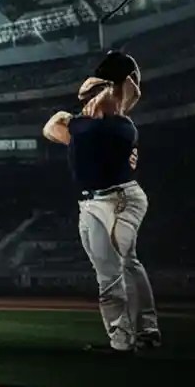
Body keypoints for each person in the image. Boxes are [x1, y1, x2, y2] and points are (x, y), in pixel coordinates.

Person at [42, 70, 159, 354]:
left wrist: (107, 94)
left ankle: (135, 335)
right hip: (92, 202)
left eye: (91, 95)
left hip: (117, 199)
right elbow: (51, 128)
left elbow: (56, 125)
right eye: (84, 98)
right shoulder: (90, 128)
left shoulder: (111, 126)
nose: (86, 101)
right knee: (116, 269)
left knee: (119, 266)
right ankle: (133, 335)